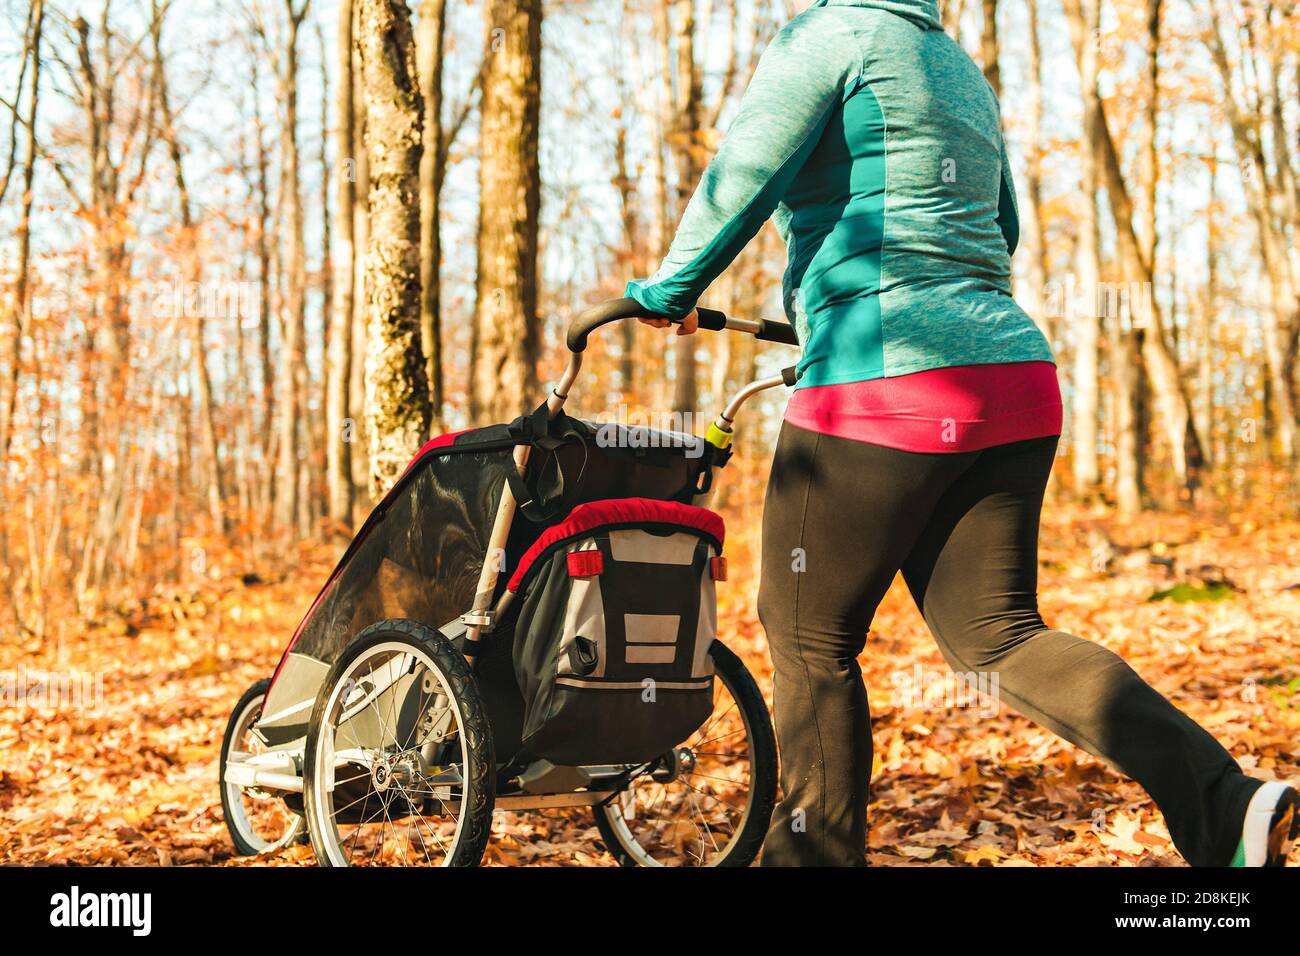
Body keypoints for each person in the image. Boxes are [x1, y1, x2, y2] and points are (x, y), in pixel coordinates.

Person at [630, 0, 1297, 866]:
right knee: (1000, 638)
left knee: (806, 639)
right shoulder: (957, 67)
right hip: (1011, 375)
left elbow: (743, 172)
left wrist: (670, 289)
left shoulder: (831, 35)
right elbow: (999, 229)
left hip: (885, 375)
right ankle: (1224, 801)